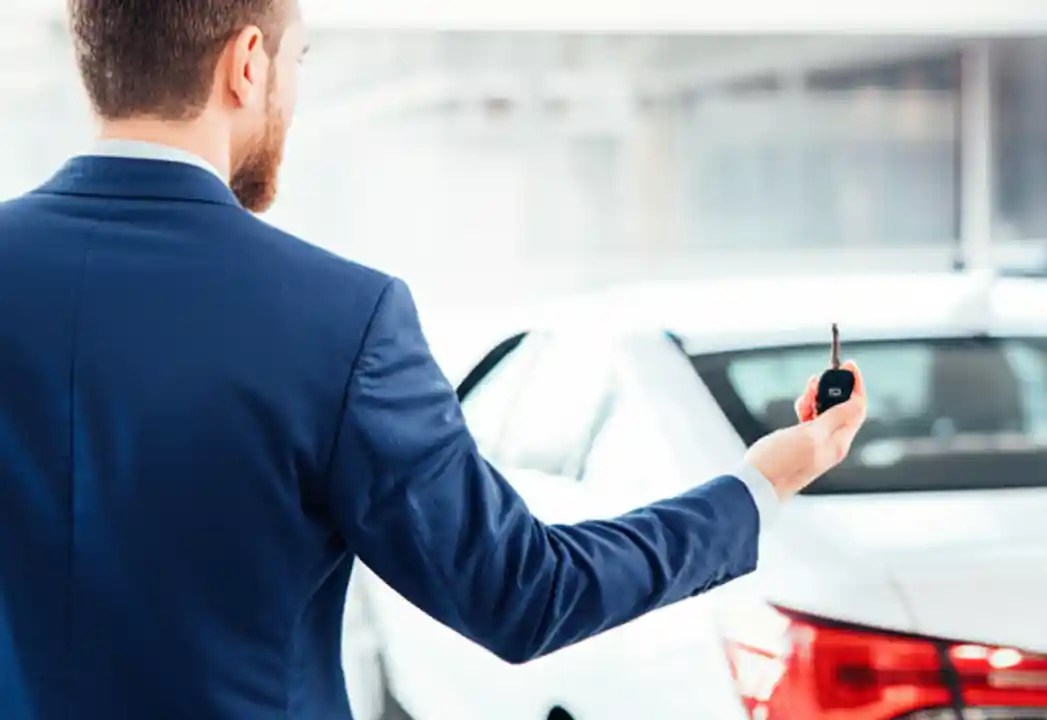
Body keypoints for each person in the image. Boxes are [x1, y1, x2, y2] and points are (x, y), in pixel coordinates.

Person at [0, 1, 868, 719]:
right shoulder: (340, 317)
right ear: (249, 62)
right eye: (301, 58)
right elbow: (523, 593)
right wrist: (757, 486)